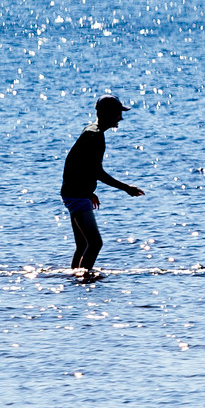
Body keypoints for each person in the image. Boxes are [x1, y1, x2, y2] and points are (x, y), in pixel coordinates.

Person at [60, 96, 143, 279]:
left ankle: (75, 277)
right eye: (118, 113)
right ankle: (84, 279)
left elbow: (78, 165)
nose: (120, 118)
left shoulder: (92, 131)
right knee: (95, 244)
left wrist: (90, 192)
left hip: (75, 193)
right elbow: (97, 171)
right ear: (107, 113)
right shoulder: (94, 135)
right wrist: (126, 187)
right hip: (76, 195)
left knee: (83, 245)